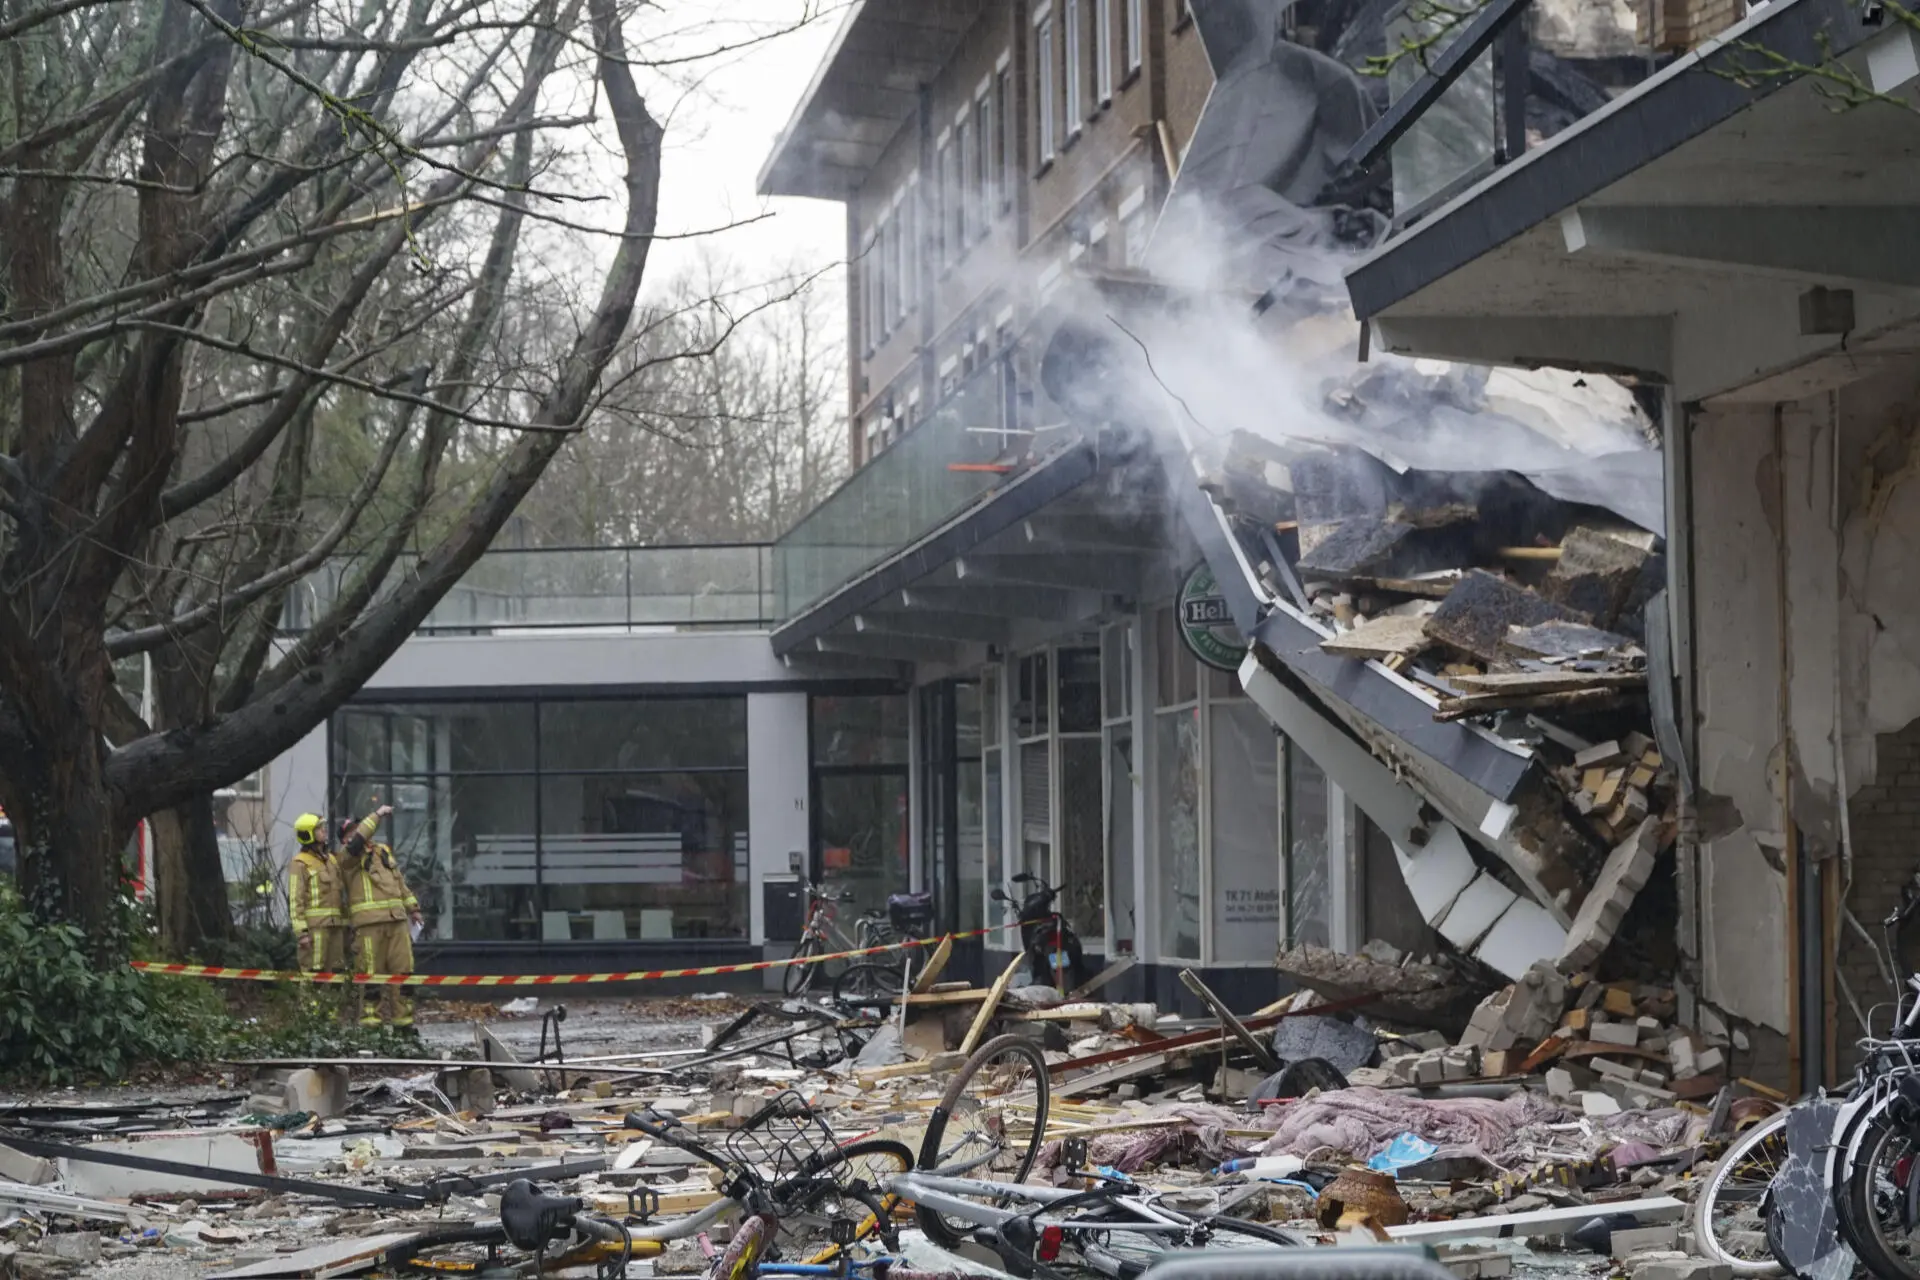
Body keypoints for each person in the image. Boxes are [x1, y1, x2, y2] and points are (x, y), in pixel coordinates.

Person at [338, 805, 422, 1030]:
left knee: (403, 973)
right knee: (370, 977)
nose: (360, 835)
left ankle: (403, 1023)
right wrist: (377, 814)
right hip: (368, 925)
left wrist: (413, 908)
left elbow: (399, 881)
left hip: (396, 921)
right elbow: (360, 838)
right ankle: (370, 1025)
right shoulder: (347, 858)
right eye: (353, 832)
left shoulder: (382, 851)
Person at [288, 813, 345, 973]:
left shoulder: (331, 860)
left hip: (335, 927)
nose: (324, 831)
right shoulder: (300, 863)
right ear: (308, 834)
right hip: (315, 931)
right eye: (319, 829)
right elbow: (295, 899)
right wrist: (301, 933)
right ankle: (309, 1000)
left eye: (323, 827)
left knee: (336, 972)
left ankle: (332, 999)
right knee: (314, 972)